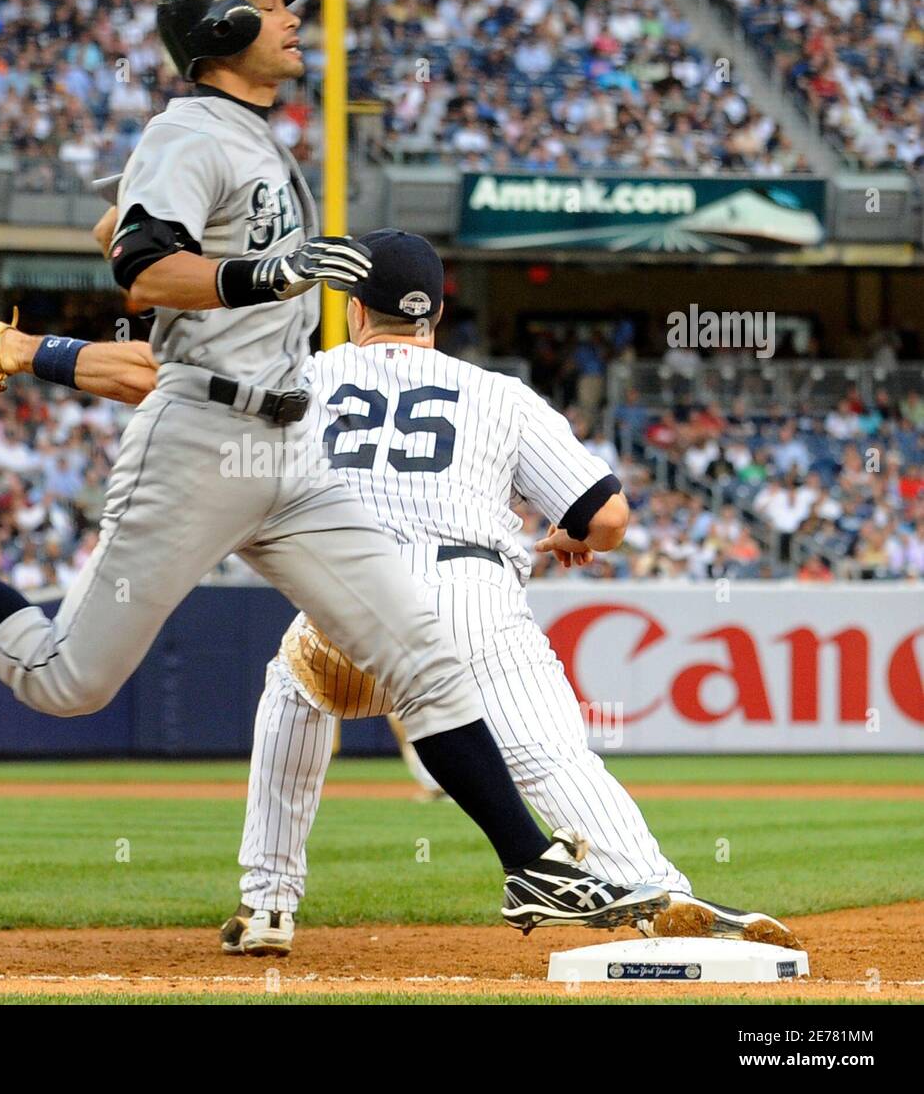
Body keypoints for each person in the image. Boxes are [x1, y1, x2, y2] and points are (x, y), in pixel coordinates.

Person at [0, 0, 667, 936]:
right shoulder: (192, 126)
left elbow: (121, 223)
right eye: (270, 1)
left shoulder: (243, 134)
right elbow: (142, 266)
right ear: (221, 27)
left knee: (423, 649)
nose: (291, 14)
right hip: (201, 438)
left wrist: (55, 347)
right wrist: (258, 275)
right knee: (69, 681)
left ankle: (531, 866)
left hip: (290, 449)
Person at [80, 223, 801, 958]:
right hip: (474, 590)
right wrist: (572, 537)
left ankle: (267, 902)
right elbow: (608, 515)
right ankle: (658, 889)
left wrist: (34, 352)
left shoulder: (311, 374)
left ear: (357, 309)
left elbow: (160, 377)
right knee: (552, 757)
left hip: (356, 594)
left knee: (294, 692)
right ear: (435, 317)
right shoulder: (499, 394)